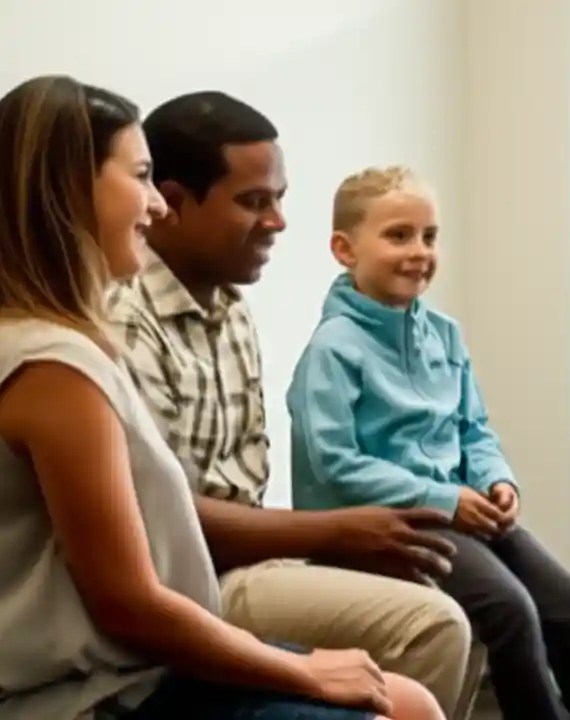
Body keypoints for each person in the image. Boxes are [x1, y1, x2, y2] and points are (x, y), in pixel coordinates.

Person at [0, 74, 442, 720]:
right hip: (95, 692)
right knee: (391, 705)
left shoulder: (66, 343)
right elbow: (128, 603)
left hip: (140, 662)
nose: (155, 205)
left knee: (413, 701)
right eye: (142, 177)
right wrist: (303, 671)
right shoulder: (55, 367)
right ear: (71, 190)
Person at [103, 92, 484, 720]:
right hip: (189, 582)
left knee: (465, 599)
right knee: (433, 625)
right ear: (168, 202)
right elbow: (158, 522)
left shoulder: (232, 312)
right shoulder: (127, 322)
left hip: (249, 559)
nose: (278, 221)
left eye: (279, 198)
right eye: (254, 202)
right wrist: (335, 529)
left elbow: (243, 489)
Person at [285, 166, 570, 720]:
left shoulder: (443, 333)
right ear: (344, 249)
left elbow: (473, 428)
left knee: (567, 604)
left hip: (458, 509)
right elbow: (335, 463)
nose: (419, 251)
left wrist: (497, 478)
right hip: (384, 524)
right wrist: (443, 500)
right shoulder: (332, 349)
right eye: (398, 235)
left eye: (429, 236)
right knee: (509, 608)